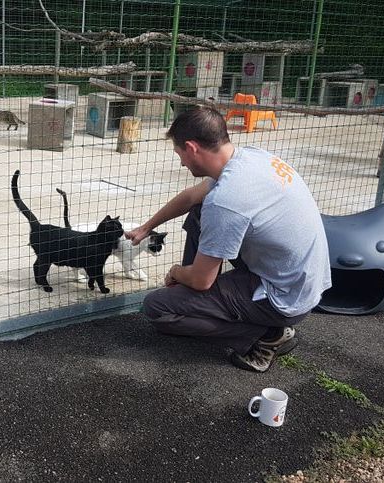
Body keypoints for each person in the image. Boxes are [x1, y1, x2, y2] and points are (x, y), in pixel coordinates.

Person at [126, 106, 332, 373]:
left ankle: (264, 337)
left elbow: (203, 280)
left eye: (179, 154)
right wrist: (146, 227)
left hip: (284, 297)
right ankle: (199, 296)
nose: (181, 163)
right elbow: (190, 197)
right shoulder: (249, 159)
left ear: (192, 148)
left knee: (157, 307)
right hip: (303, 278)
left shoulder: (226, 200)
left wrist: (177, 272)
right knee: (199, 210)